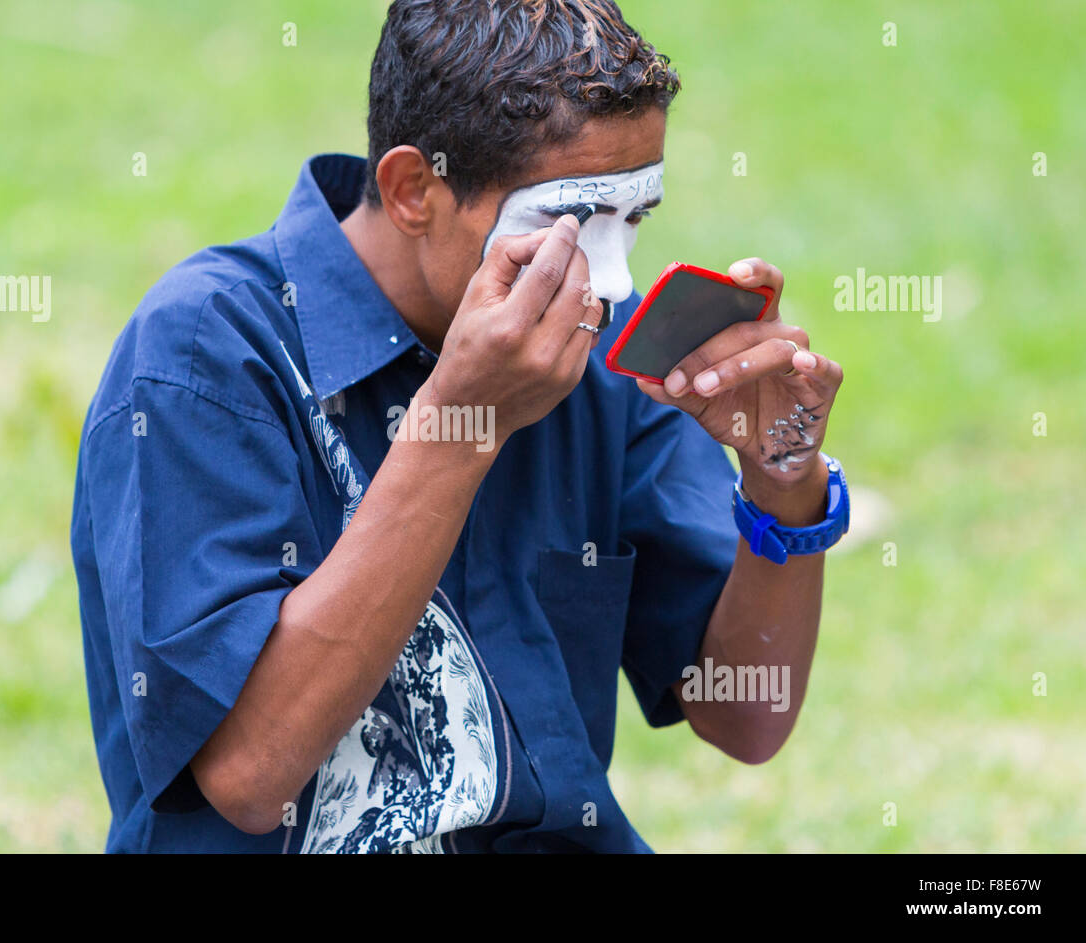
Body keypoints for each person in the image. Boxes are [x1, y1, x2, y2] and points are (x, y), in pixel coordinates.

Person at [70, 0, 848, 853]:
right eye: (578, 221)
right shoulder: (202, 350)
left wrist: (783, 479)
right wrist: (462, 423)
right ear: (413, 191)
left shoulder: (600, 362)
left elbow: (745, 717)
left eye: (636, 219)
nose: (616, 280)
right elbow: (250, 772)